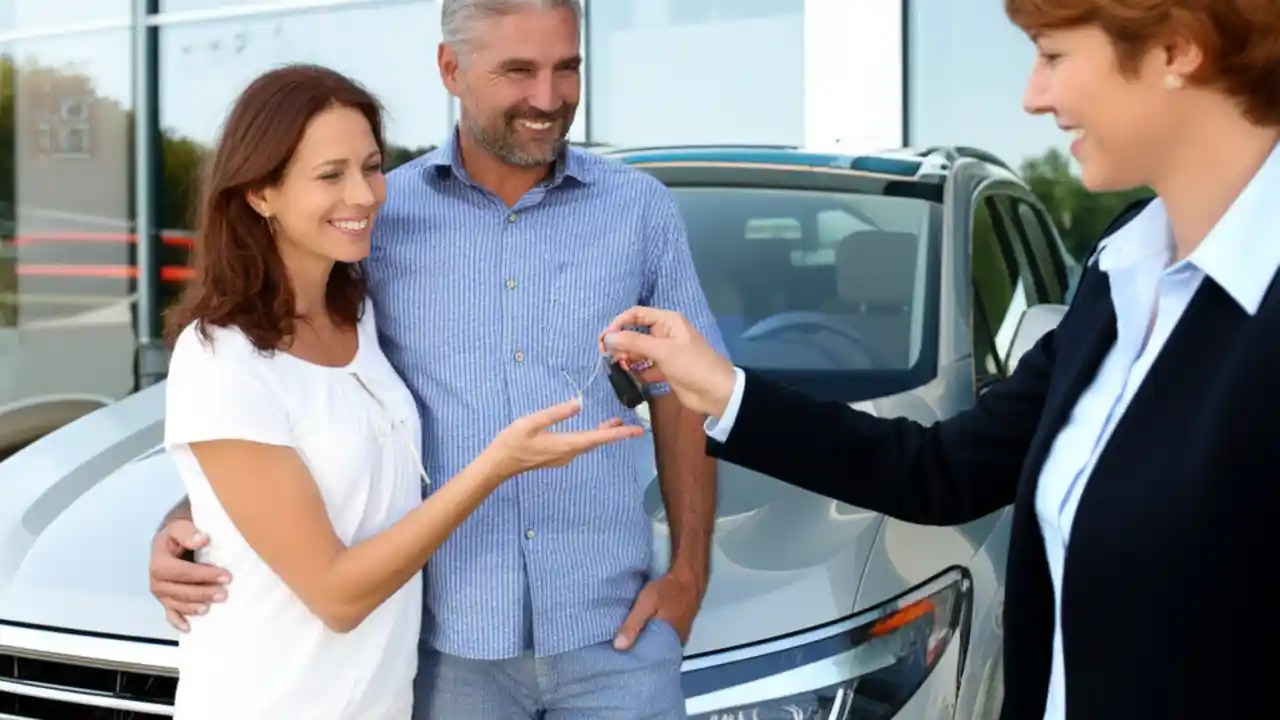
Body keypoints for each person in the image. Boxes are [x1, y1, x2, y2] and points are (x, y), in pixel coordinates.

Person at [599, 1, 1280, 718]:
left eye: (1052, 56)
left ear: (1177, 49)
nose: (1031, 96)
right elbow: (942, 470)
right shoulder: (1124, 269)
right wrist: (721, 387)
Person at [150, 1, 724, 717]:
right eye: (518, 70)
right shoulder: (373, 227)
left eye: (566, 68)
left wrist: (690, 576)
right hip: (442, 651)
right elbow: (268, 409)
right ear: (451, 69)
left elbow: (686, 396)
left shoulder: (640, 212)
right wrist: (189, 516)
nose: (548, 98)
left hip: (615, 639)